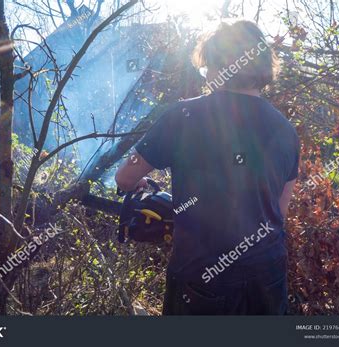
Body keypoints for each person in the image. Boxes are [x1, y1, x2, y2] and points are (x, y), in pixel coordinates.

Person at [115, 20, 299, 315]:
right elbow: (280, 212)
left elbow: (125, 177)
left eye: (206, 69)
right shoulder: (287, 131)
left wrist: (140, 186)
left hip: (203, 280)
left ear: (217, 67)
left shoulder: (182, 115)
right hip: (268, 278)